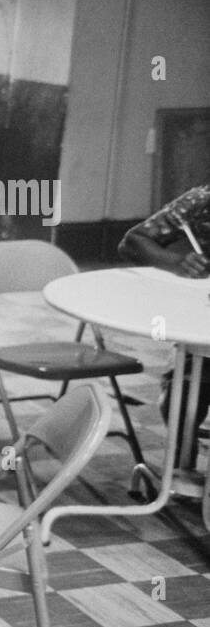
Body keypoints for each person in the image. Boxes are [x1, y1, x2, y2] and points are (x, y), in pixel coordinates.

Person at [118, 184, 210, 458]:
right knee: (181, 392)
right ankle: (183, 468)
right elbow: (133, 242)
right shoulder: (202, 200)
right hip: (204, 324)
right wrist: (176, 261)